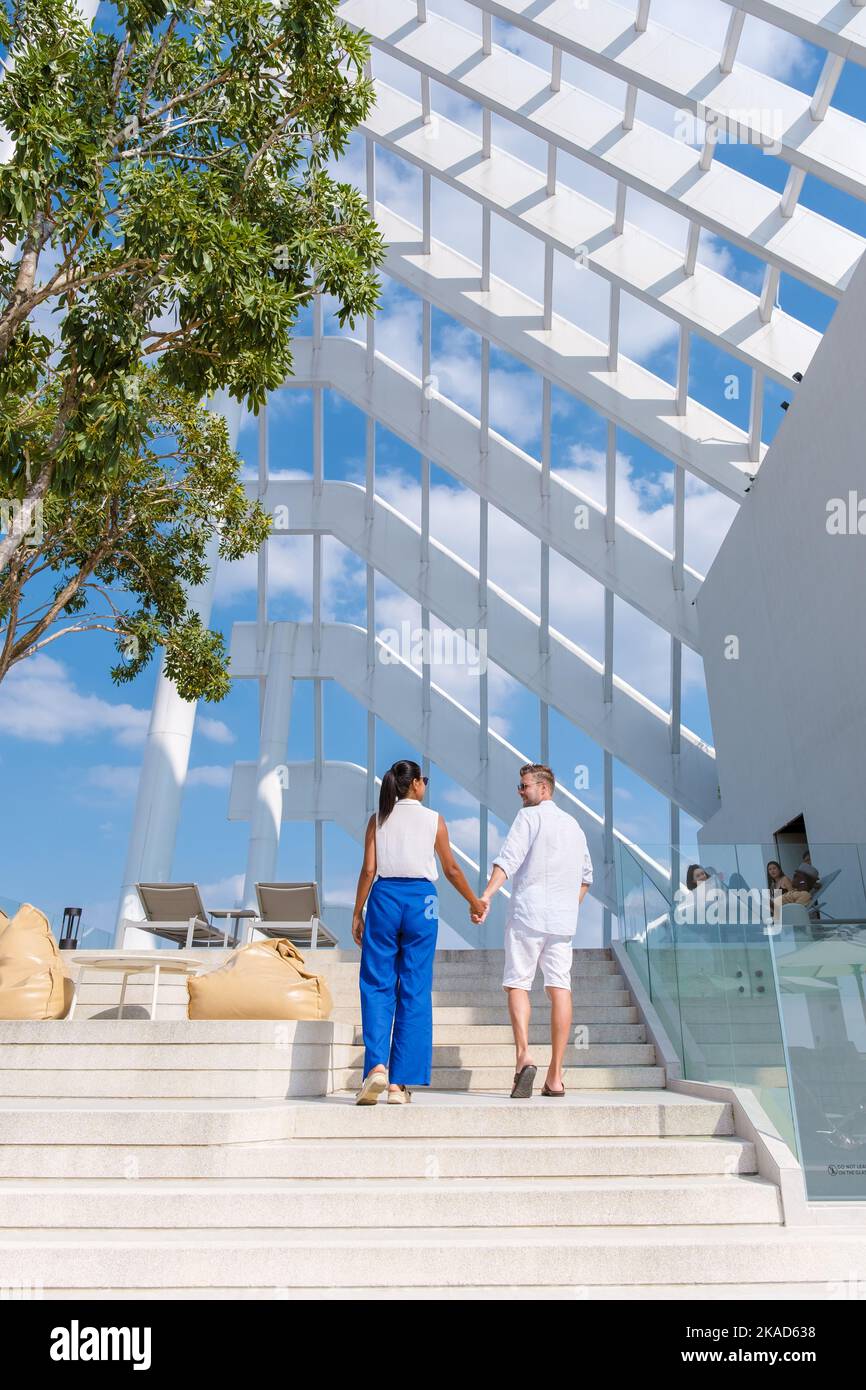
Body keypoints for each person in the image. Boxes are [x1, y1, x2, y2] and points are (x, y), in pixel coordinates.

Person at [351, 758, 486, 1106]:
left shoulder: (378, 818)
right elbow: (452, 869)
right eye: (424, 779)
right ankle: (399, 1085)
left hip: (384, 897)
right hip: (421, 901)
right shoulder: (434, 820)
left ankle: (377, 1067)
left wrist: (357, 911)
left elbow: (368, 870)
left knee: (377, 982)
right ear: (415, 785)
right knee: (414, 986)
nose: (426, 783)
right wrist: (474, 901)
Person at [473, 764, 592, 1099]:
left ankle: (524, 1056)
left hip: (528, 915)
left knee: (517, 983)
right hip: (562, 922)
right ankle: (555, 1076)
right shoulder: (575, 826)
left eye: (524, 786)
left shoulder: (529, 818)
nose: (520, 792)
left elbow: (507, 860)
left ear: (544, 788)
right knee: (560, 989)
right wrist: (569, 906)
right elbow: (586, 878)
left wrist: (486, 895)